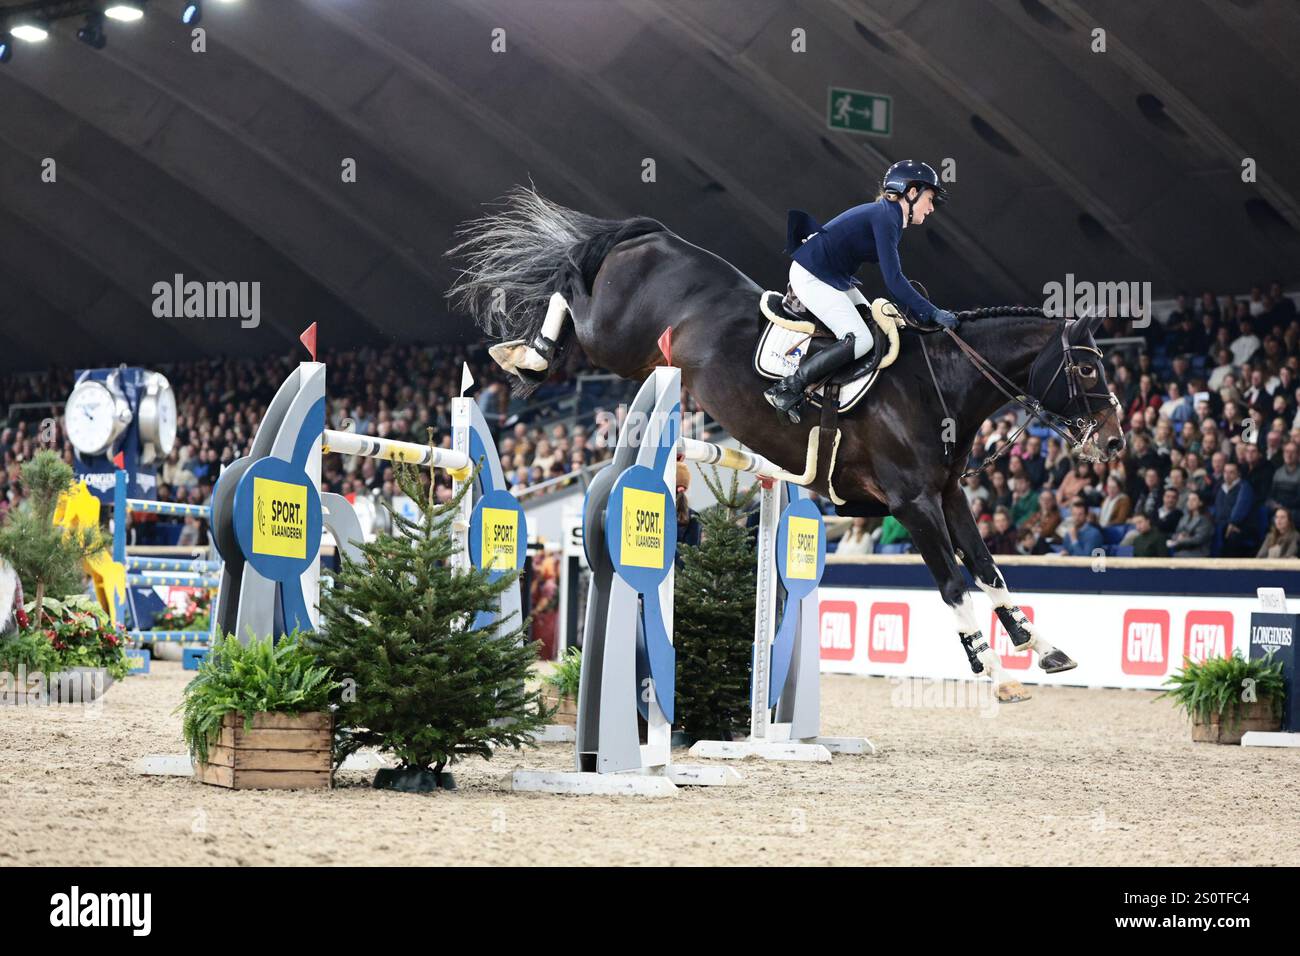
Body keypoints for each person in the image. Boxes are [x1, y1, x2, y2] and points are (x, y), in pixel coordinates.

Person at [766, 160, 959, 421]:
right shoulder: (886, 217)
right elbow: (893, 279)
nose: (932, 207)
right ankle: (788, 388)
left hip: (831, 275)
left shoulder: (889, 214)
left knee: (874, 325)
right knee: (860, 339)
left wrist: (924, 313)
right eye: (930, 198)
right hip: (812, 275)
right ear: (912, 192)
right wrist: (932, 312)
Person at [1169, 491, 1213, 557]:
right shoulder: (1184, 518)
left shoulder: (1205, 520)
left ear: (1200, 503)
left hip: (1198, 553)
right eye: (1189, 500)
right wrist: (1178, 537)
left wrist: (1182, 540)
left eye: (1194, 500)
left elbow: (1198, 540)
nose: (1190, 502)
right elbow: (1176, 533)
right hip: (1182, 550)